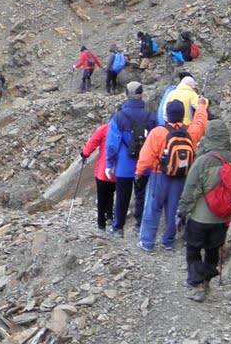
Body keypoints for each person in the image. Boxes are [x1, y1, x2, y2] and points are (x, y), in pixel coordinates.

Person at [177, 120, 231, 300]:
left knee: (193, 249)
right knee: (213, 250)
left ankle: (198, 285)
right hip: (223, 218)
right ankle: (206, 281)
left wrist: (182, 211)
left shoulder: (203, 162)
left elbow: (190, 189)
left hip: (200, 217)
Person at [136, 95, 208, 251]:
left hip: (159, 175)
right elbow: (201, 123)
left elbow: (146, 157)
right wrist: (201, 106)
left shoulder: (157, 133)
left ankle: (147, 242)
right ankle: (168, 241)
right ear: (183, 114)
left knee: (153, 207)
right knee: (173, 208)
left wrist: (139, 173)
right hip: (181, 176)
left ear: (167, 115)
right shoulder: (190, 131)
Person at [103, 80, 157, 237]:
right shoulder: (151, 117)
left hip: (124, 165)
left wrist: (109, 163)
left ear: (126, 95)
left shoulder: (119, 117)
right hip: (145, 165)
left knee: (122, 197)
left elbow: (112, 144)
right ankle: (140, 225)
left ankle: (118, 227)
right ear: (141, 95)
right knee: (142, 195)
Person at [79, 119, 115, 234]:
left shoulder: (104, 129)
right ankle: (110, 215)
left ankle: (101, 223)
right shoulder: (127, 129)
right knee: (111, 193)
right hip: (119, 170)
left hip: (103, 170)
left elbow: (92, 143)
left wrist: (85, 154)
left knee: (102, 196)